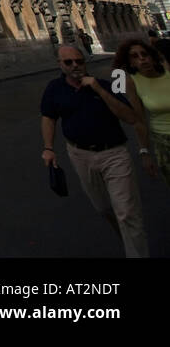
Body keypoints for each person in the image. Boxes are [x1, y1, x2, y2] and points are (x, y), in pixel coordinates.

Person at [40, 45, 147, 257]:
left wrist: (98, 89)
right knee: (104, 208)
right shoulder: (54, 88)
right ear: (60, 65)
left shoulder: (106, 85)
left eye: (79, 61)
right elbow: (48, 117)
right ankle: (128, 240)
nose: (75, 66)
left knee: (126, 213)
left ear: (85, 62)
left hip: (114, 153)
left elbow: (131, 117)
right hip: (80, 155)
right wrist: (48, 148)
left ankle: (136, 251)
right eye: (68, 63)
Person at [115, 37, 170, 187]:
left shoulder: (168, 70)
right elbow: (139, 120)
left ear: (152, 56)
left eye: (144, 54)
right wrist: (144, 152)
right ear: (130, 63)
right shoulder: (132, 82)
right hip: (164, 143)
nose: (142, 59)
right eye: (135, 57)